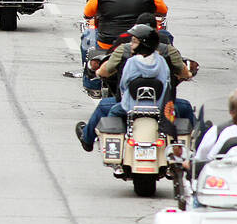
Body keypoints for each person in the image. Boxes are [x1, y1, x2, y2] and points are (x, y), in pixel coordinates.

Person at [77, 20, 197, 150]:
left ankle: (104, 144)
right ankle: (198, 142)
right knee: (183, 109)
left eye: (134, 41)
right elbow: (168, 82)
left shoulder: (131, 61)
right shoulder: (162, 61)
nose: (131, 44)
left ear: (143, 44)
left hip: (130, 107)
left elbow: (123, 85)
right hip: (162, 107)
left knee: (109, 111)